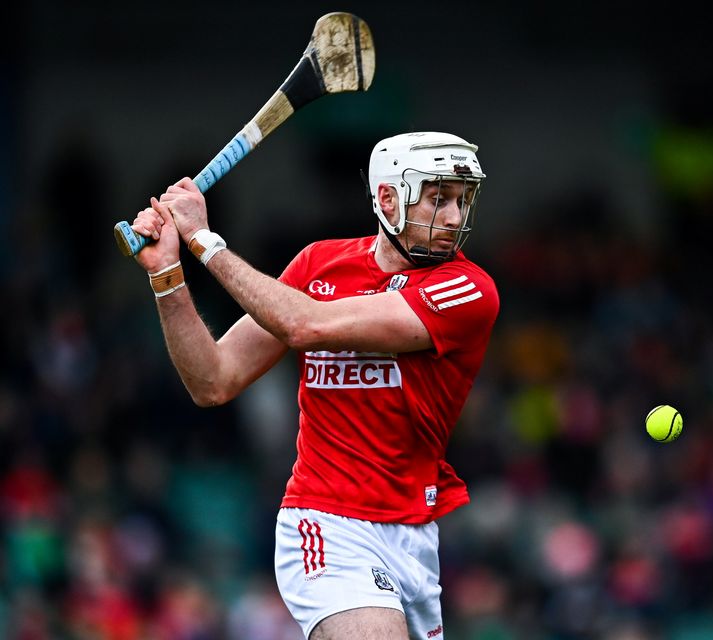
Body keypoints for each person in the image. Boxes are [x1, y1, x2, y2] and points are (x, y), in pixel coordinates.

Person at [130, 132, 499, 640]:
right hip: (327, 522)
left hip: (414, 534)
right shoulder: (318, 265)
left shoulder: (467, 289)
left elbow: (306, 325)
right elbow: (214, 379)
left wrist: (204, 242)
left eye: (462, 200)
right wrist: (168, 275)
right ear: (389, 198)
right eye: (438, 199)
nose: (455, 217)